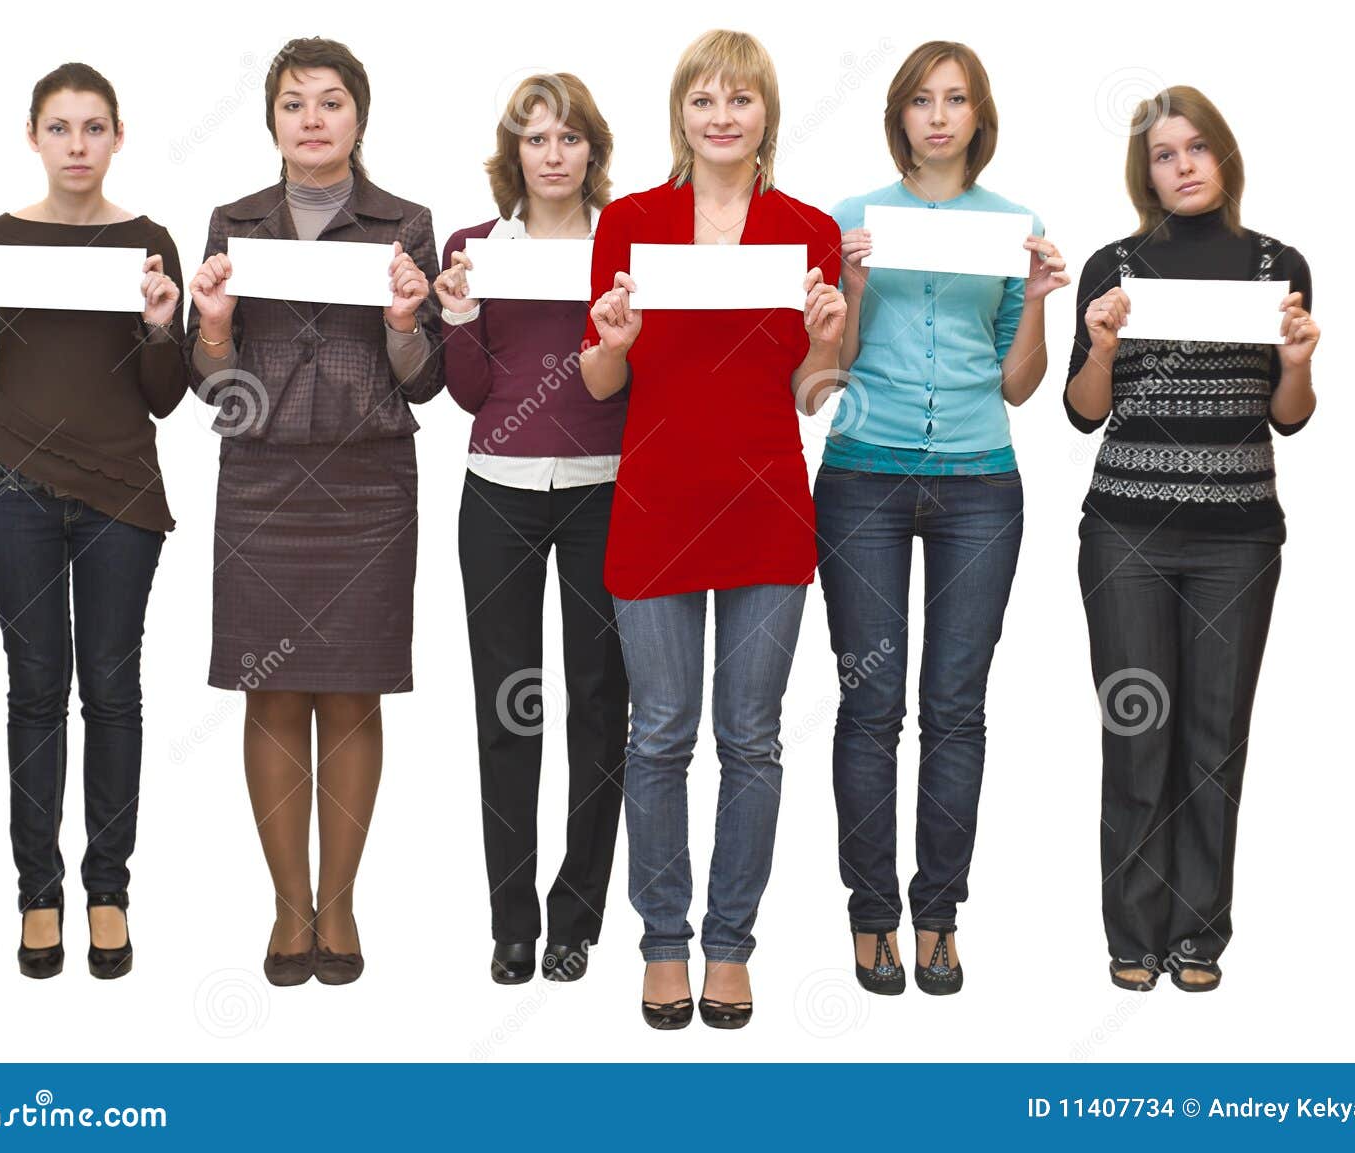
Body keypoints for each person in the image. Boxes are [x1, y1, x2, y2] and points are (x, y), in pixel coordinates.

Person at [581, 29, 845, 1029]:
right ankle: (661, 941)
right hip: (654, 503)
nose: (722, 116)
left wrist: (829, 338)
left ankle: (728, 944)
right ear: (680, 115)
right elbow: (604, 378)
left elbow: (814, 393)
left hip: (767, 502)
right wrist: (611, 340)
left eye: (740, 99)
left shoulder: (806, 230)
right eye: (704, 100)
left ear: (767, 113)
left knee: (751, 738)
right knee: (657, 736)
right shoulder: (634, 224)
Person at [184, 37, 444, 987]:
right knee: (273, 692)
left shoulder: (403, 223)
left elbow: (426, 384)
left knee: (352, 690)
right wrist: (211, 327)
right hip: (260, 481)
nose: (313, 119)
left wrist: (407, 323)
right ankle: (288, 906)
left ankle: (340, 902)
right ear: (273, 122)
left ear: (359, 120)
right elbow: (209, 381)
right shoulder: (233, 222)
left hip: (369, 484)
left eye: (331, 103)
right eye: (295, 104)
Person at [819, 41, 1068, 996]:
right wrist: (853, 280)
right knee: (870, 704)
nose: (937, 115)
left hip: (979, 485)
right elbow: (819, 371)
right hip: (862, 482)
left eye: (955, 99)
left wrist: (1039, 300)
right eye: (921, 99)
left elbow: (1018, 382)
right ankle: (871, 913)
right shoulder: (851, 223)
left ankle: (939, 913)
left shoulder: (1017, 226)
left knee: (957, 711)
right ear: (899, 114)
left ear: (978, 116)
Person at [1064, 85, 1319, 993]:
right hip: (1127, 535)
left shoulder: (1277, 265)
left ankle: (1198, 931)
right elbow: (1082, 413)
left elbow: (1288, 420)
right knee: (1139, 729)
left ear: (1225, 158)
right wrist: (1098, 346)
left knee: (1215, 734)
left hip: (1238, 542)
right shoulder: (1115, 265)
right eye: (1165, 154)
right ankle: (1131, 930)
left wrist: (1297, 366)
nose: (1183, 165)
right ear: (1146, 172)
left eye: (1197, 148)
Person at [0, 62, 185, 980]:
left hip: (121, 494)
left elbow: (164, 398)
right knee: (36, 690)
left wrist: (165, 325)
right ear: (34, 137)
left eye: (93, 128)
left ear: (118, 136)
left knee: (112, 692)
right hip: (15, 491)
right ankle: (37, 892)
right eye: (59, 128)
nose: (77, 145)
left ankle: (109, 888)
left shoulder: (147, 239)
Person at [434, 73, 629, 986]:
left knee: (599, 704)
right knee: (510, 705)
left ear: (592, 150)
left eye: (569, 138)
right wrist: (462, 315)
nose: (554, 155)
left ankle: (576, 914)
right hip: (499, 491)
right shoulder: (474, 248)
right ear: (514, 153)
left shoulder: (628, 248)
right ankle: (512, 918)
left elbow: (640, 385)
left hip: (604, 488)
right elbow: (470, 394)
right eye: (536, 139)